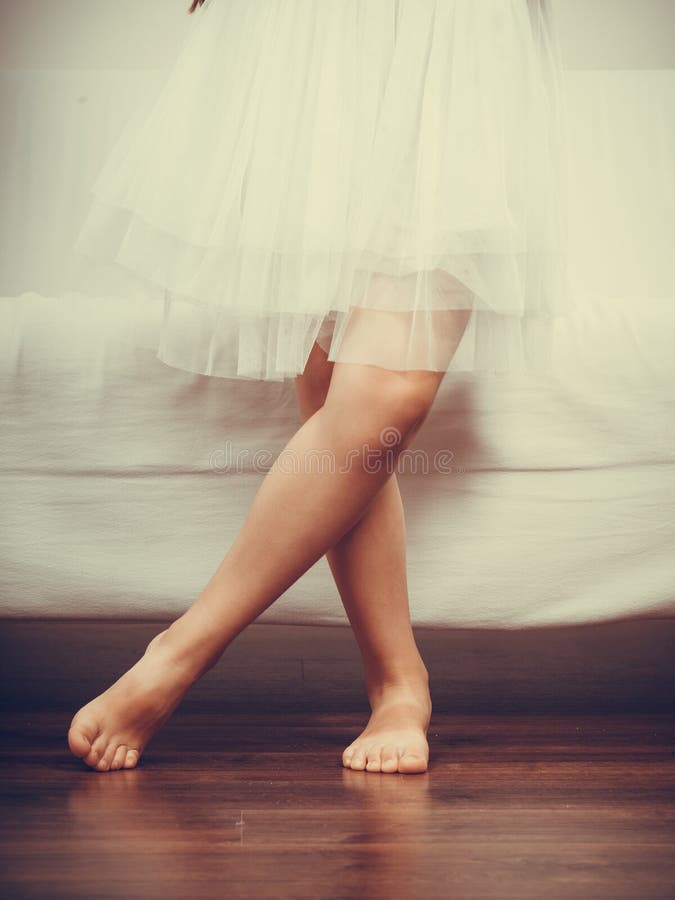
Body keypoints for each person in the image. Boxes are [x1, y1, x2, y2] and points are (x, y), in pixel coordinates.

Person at [68, 0, 570, 774]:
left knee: (387, 392)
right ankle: (397, 682)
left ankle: (176, 655)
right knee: (334, 383)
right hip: (303, 26)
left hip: (455, 24)